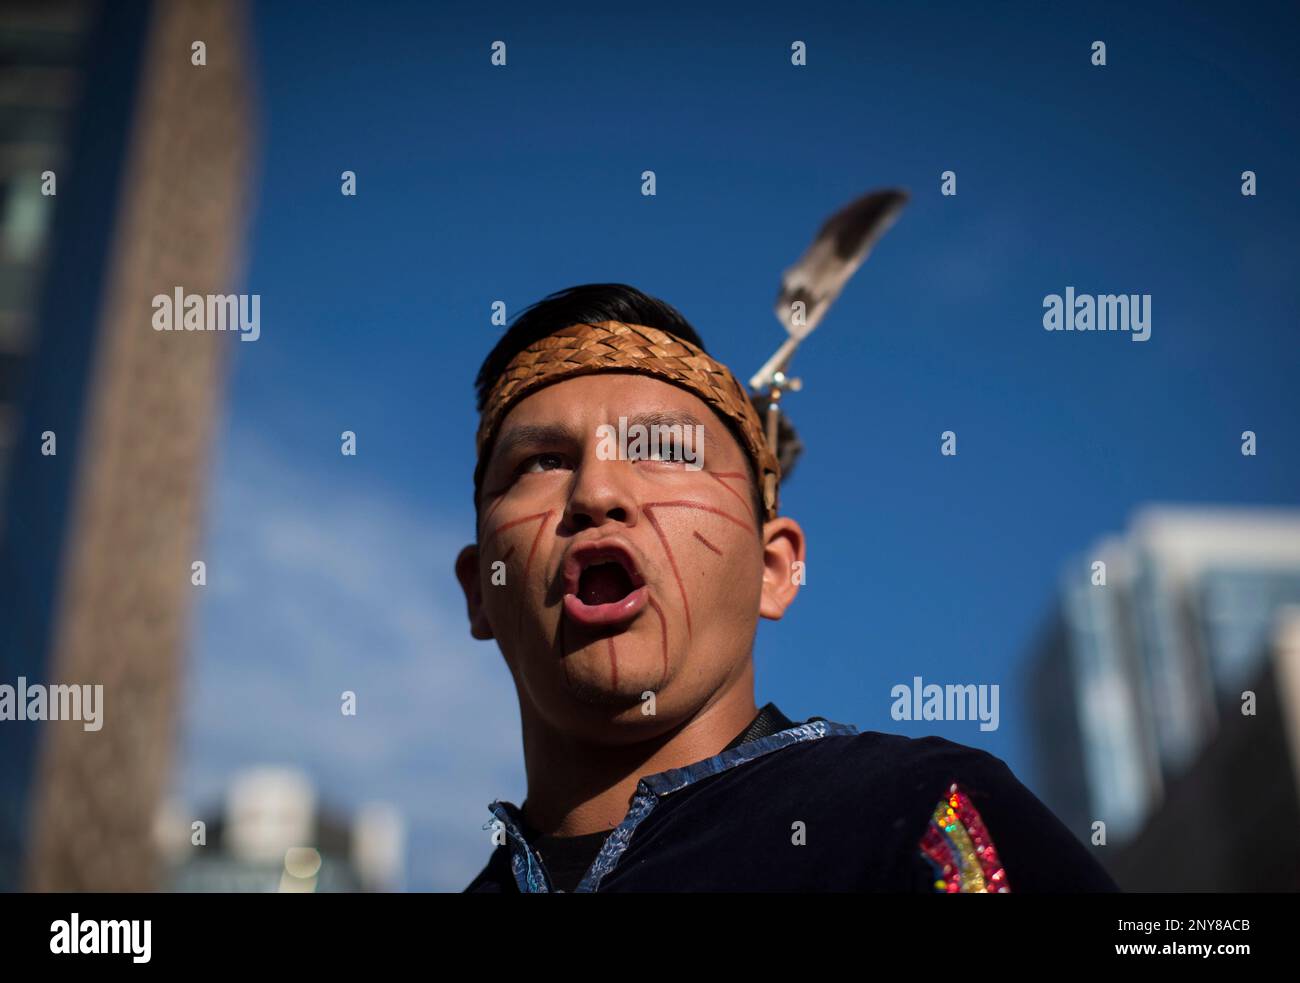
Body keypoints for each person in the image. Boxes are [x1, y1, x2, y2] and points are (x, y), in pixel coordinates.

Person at [455, 283, 1118, 893]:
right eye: (542, 460)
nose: (597, 493)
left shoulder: (917, 808)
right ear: (479, 588)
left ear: (775, 570)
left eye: (665, 449)